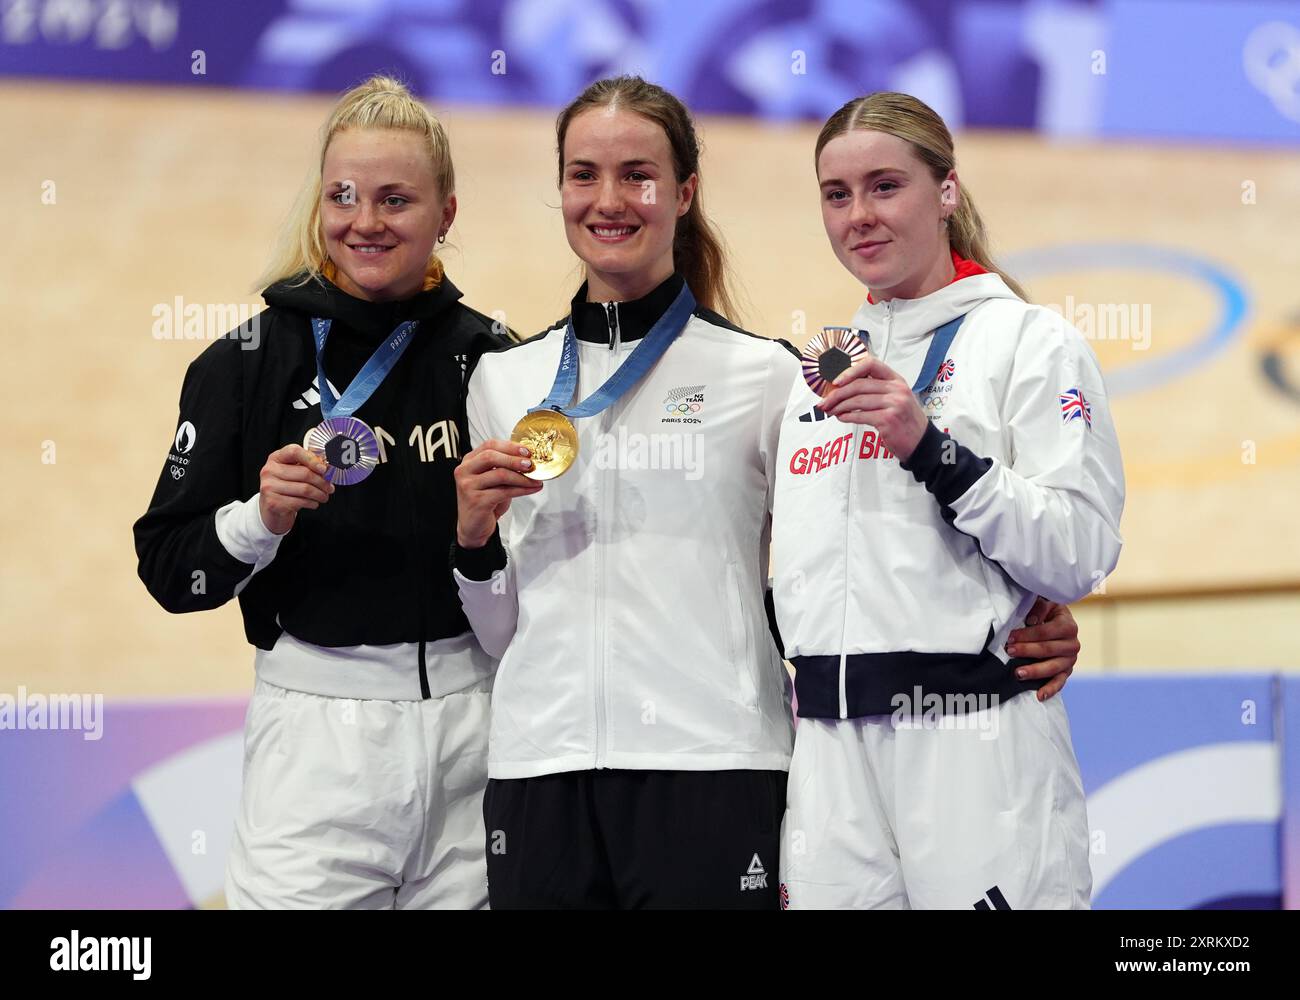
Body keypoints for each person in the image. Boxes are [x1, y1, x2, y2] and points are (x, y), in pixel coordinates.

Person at [452, 77, 1083, 909]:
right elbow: (502, 630)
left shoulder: (769, 377)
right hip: (541, 769)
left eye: (637, 175)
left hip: (716, 769)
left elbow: (864, 546)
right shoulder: (502, 380)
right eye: (582, 174)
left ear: (684, 193)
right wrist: (472, 542)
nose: (608, 200)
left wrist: (1032, 611)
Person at [133, 75, 506, 909]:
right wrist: (257, 519)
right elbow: (168, 570)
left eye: (395, 198)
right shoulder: (245, 362)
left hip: (478, 735)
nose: (364, 222)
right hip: (317, 747)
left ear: (446, 211)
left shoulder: (494, 360)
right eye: (343, 195)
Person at [773, 92, 1124, 909]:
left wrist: (932, 449)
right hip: (829, 762)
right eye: (837, 194)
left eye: (885, 186)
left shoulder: (1031, 344)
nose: (859, 215)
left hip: (976, 747)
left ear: (948, 191)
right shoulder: (809, 382)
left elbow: (1079, 549)